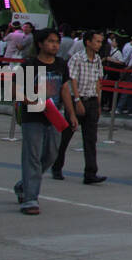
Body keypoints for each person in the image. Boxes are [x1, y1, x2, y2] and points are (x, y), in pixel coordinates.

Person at [14, 29, 77, 215]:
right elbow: (16, 91)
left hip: (54, 116)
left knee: (51, 154)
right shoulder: (29, 65)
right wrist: (31, 101)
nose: (55, 45)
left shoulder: (61, 65)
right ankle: (30, 199)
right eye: (50, 41)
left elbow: (65, 89)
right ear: (40, 44)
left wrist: (71, 114)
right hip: (32, 116)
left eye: (57, 41)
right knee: (32, 156)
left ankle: (24, 185)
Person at [52, 29, 108, 185]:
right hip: (77, 99)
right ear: (88, 42)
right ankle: (57, 166)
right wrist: (77, 101)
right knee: (66, 135)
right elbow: (72, 80)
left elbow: (98, 82)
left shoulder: (97, 60)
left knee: (90, 139)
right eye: (96, 41)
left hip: (91, 100)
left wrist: (98, 103)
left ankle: (90, 173)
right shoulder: (77, 58)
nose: (99, 44)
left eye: (100, 41)